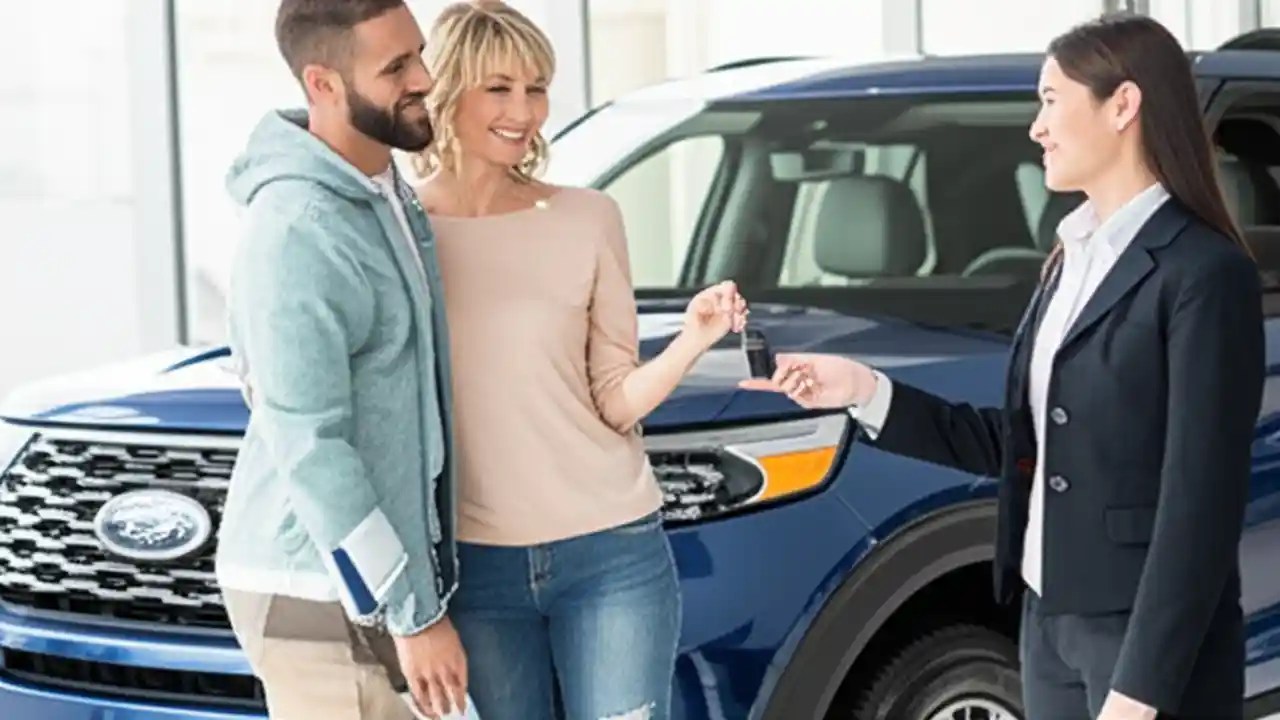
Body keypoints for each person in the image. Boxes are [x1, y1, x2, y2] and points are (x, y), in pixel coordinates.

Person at [743, 14, 1261, 720]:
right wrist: (863, 390)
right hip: (1049, 625)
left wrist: (1139, 692)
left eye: (1050, 99)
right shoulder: (1068, 261)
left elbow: (1198, 509)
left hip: (1145, 645)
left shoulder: (1203, 273)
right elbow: (1019, 446)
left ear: (1123, 105)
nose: (1036, 127)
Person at [410, 2, 748, 719]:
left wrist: (692, 339)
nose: (524, 110)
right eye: (498, 88)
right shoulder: (402, 233)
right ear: (447, 90)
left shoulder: (588, 217)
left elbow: (613, 398)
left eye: (536, 88)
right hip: (475, 568)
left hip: (612, 553)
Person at [215, 1, 471, 718]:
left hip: (374, 587)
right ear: (323, 84)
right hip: (314, 593)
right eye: (396, 68)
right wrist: (412, 613)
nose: (425, 78)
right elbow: (309, 444)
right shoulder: (297, 230)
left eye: (419, 54)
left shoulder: (383, 192)